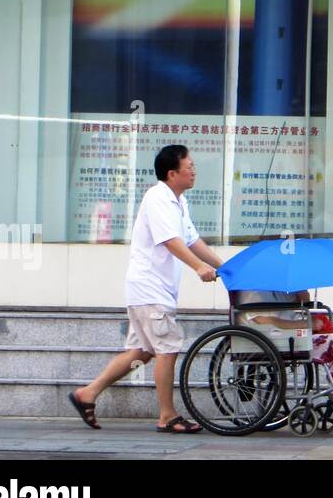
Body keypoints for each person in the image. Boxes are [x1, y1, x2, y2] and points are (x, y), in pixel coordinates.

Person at [69, 145, 222, 433]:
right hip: (150, 289)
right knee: (167, 349)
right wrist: (198, 268)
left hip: (150, 290)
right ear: (172, 173)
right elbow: (170, 240)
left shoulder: (178, 201)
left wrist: (224, 266)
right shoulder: (158, 197)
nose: (194, 171)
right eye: (189, 166)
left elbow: (192, 240)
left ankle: (87, 393)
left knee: (141, 351)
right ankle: (167, 415)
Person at [239, 289, 333, 418]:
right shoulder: (254, 289)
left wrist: (302, 291)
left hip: (290, 337)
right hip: (270, 339)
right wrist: (303, 324)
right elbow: (259, 319)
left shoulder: (284, 285)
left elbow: (303, 303)